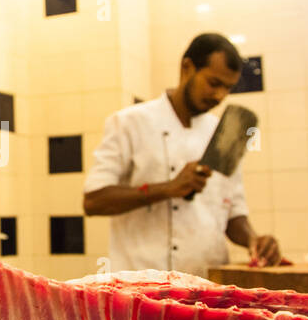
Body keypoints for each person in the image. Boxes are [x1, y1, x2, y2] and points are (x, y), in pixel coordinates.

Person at [82, 33, 280, 276]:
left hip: (208, 286)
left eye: (227, 88)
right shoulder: (129, 123)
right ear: (187, 68)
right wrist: (169, 188)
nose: (219, 96)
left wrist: (253, 239)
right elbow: (93, 201)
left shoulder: (223, 132)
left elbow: (233, 212)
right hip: (143, 287)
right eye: (213, 83)